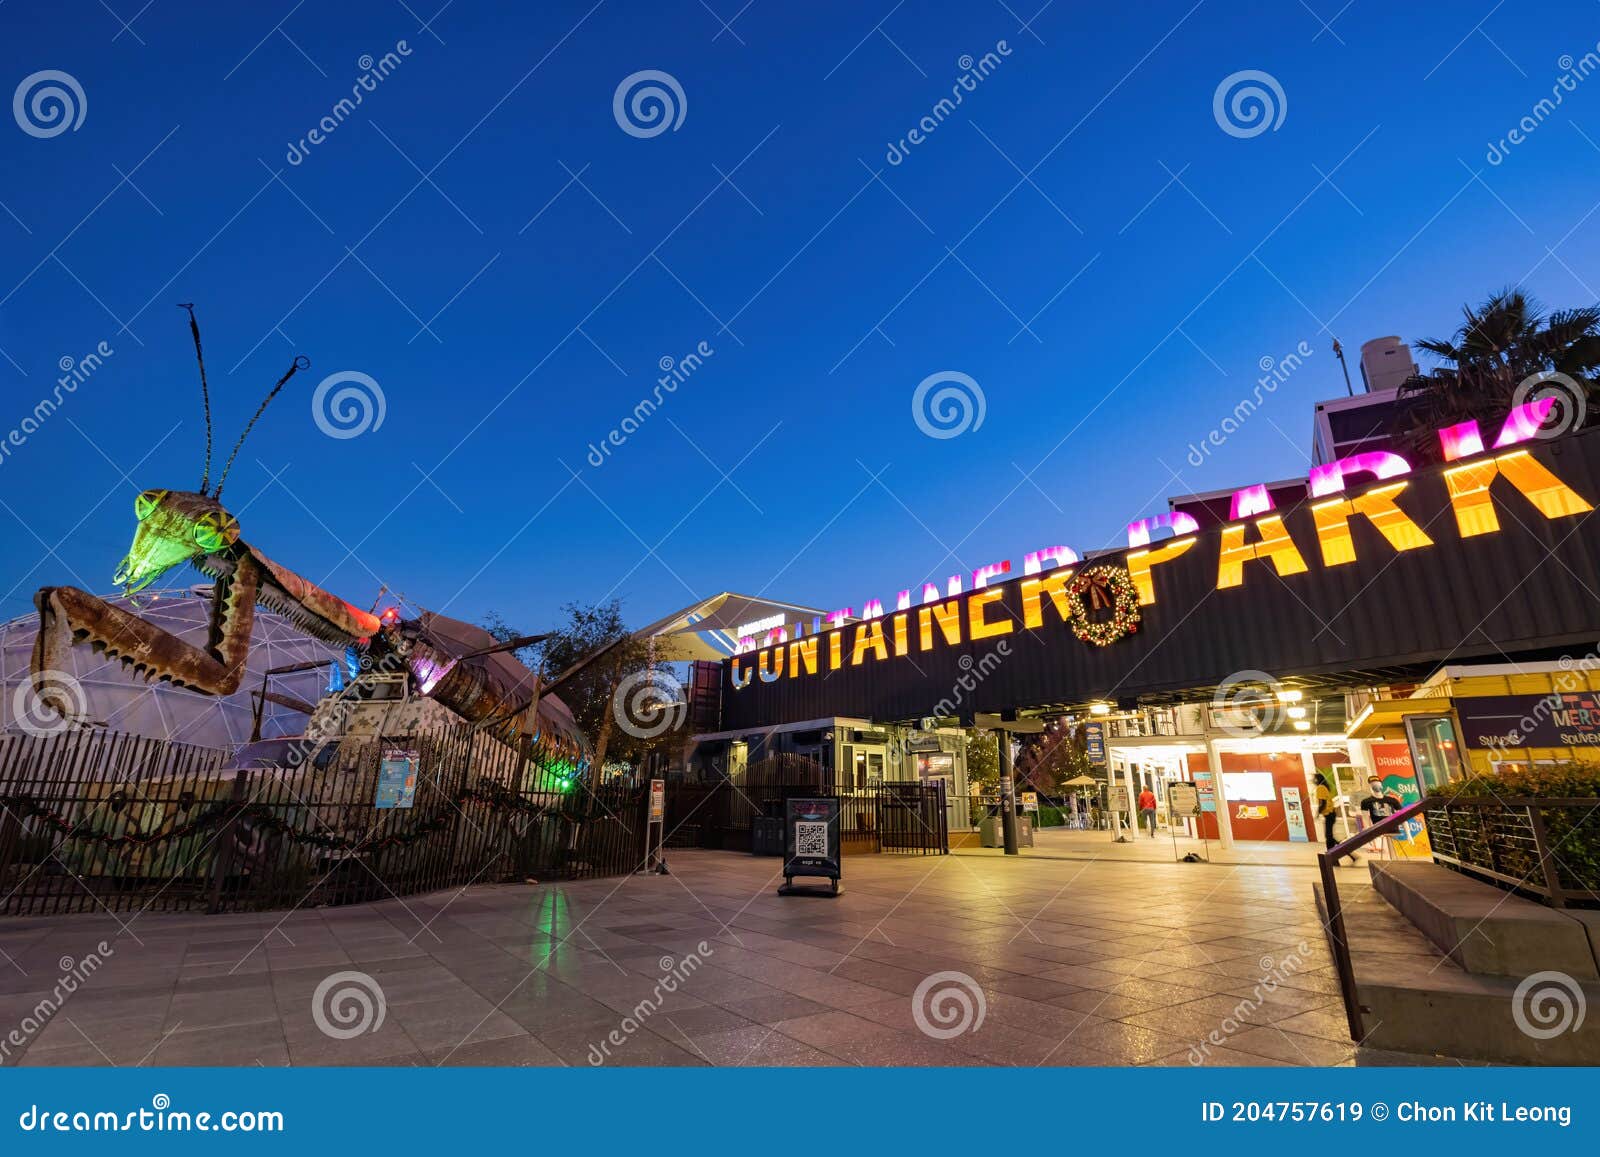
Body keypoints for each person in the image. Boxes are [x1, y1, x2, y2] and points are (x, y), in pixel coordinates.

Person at [1315, 770, 1359, 864]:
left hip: (1329, 814)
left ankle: (1333, 859)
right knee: (1330, 837)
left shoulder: (1320, 788)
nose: (1313, 781)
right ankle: (1348, 854)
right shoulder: (1325, 787)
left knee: (1329, 838)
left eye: (1314, 779)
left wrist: (1317, 813)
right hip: (1331, 814)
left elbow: (1322, 802)